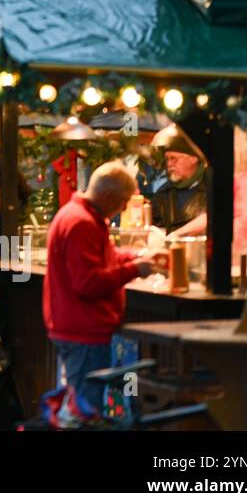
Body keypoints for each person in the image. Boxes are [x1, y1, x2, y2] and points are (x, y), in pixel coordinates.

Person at [44, 161, 162, 415]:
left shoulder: (83, 216)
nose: (122, 209)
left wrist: (138, 256)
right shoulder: (81, 223)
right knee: (86, 413)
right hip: (83, 331)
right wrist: (134, 270)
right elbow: (87, 283)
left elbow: (104, 258)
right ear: (108, 196)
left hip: (79, 329)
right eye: (122, 203)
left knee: (82, 407)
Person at [143, 124, 208, 236]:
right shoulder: (162, 195)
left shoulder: (212, 188)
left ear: (194, 158)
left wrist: (175, 235)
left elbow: (212, 218)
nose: (169, 164)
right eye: (167, 159)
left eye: (174, 159)